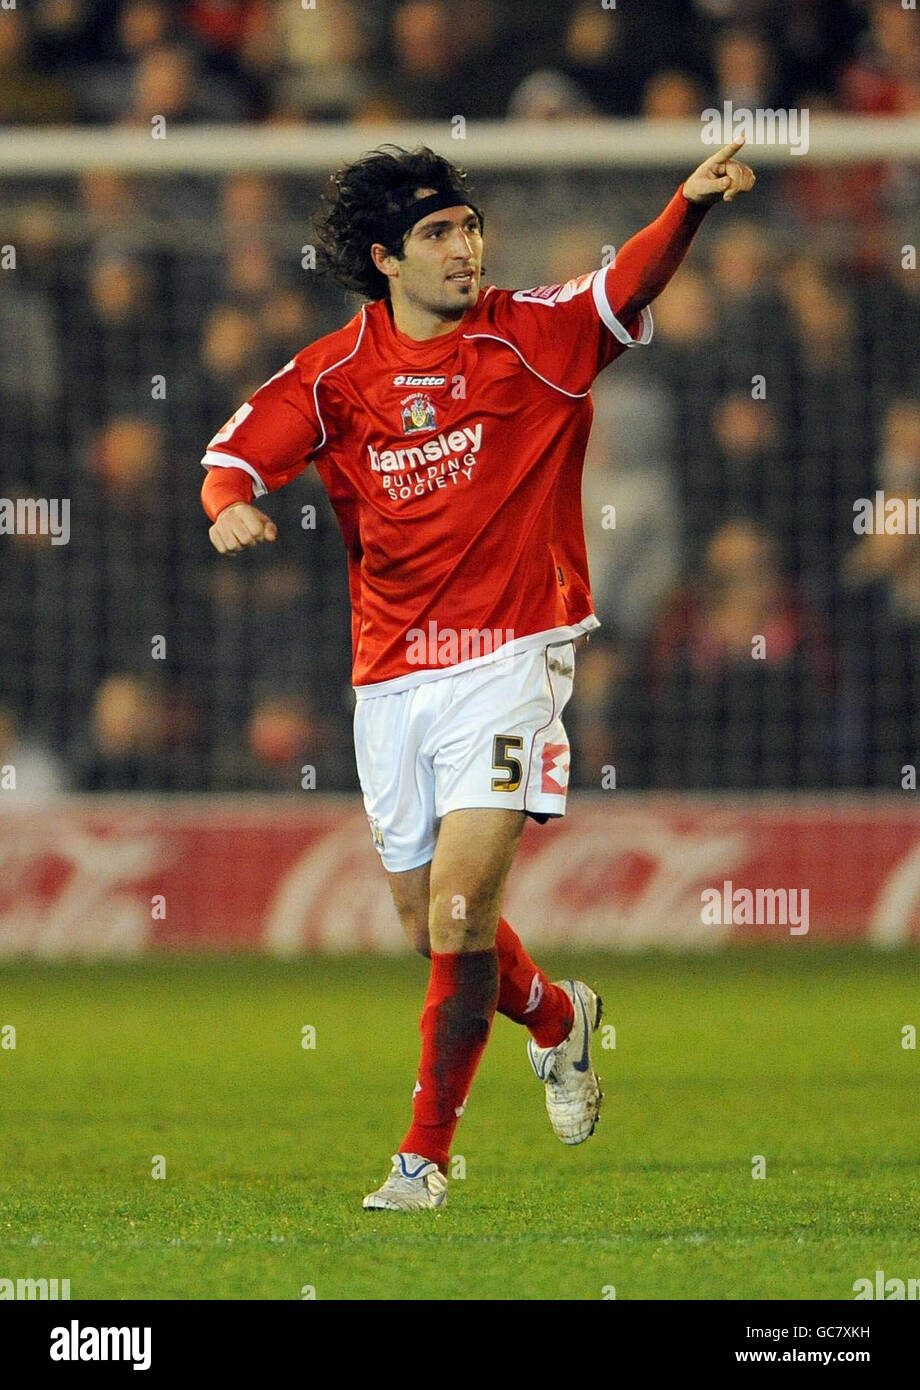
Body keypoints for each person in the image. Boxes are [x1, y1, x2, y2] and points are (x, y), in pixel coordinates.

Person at [199, 139, 755, 1211]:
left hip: (512, 654)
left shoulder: (535, 337)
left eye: (469, 227)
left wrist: (684, 206)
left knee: (456, 911)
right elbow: (235, 451)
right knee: (427, 929)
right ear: (384, 259)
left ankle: (422, 1158)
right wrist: (228, 507)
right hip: (389, 681)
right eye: (437, 235)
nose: (465, 249)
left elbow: (624, 281)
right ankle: (557, 1017)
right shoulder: (331, 374)